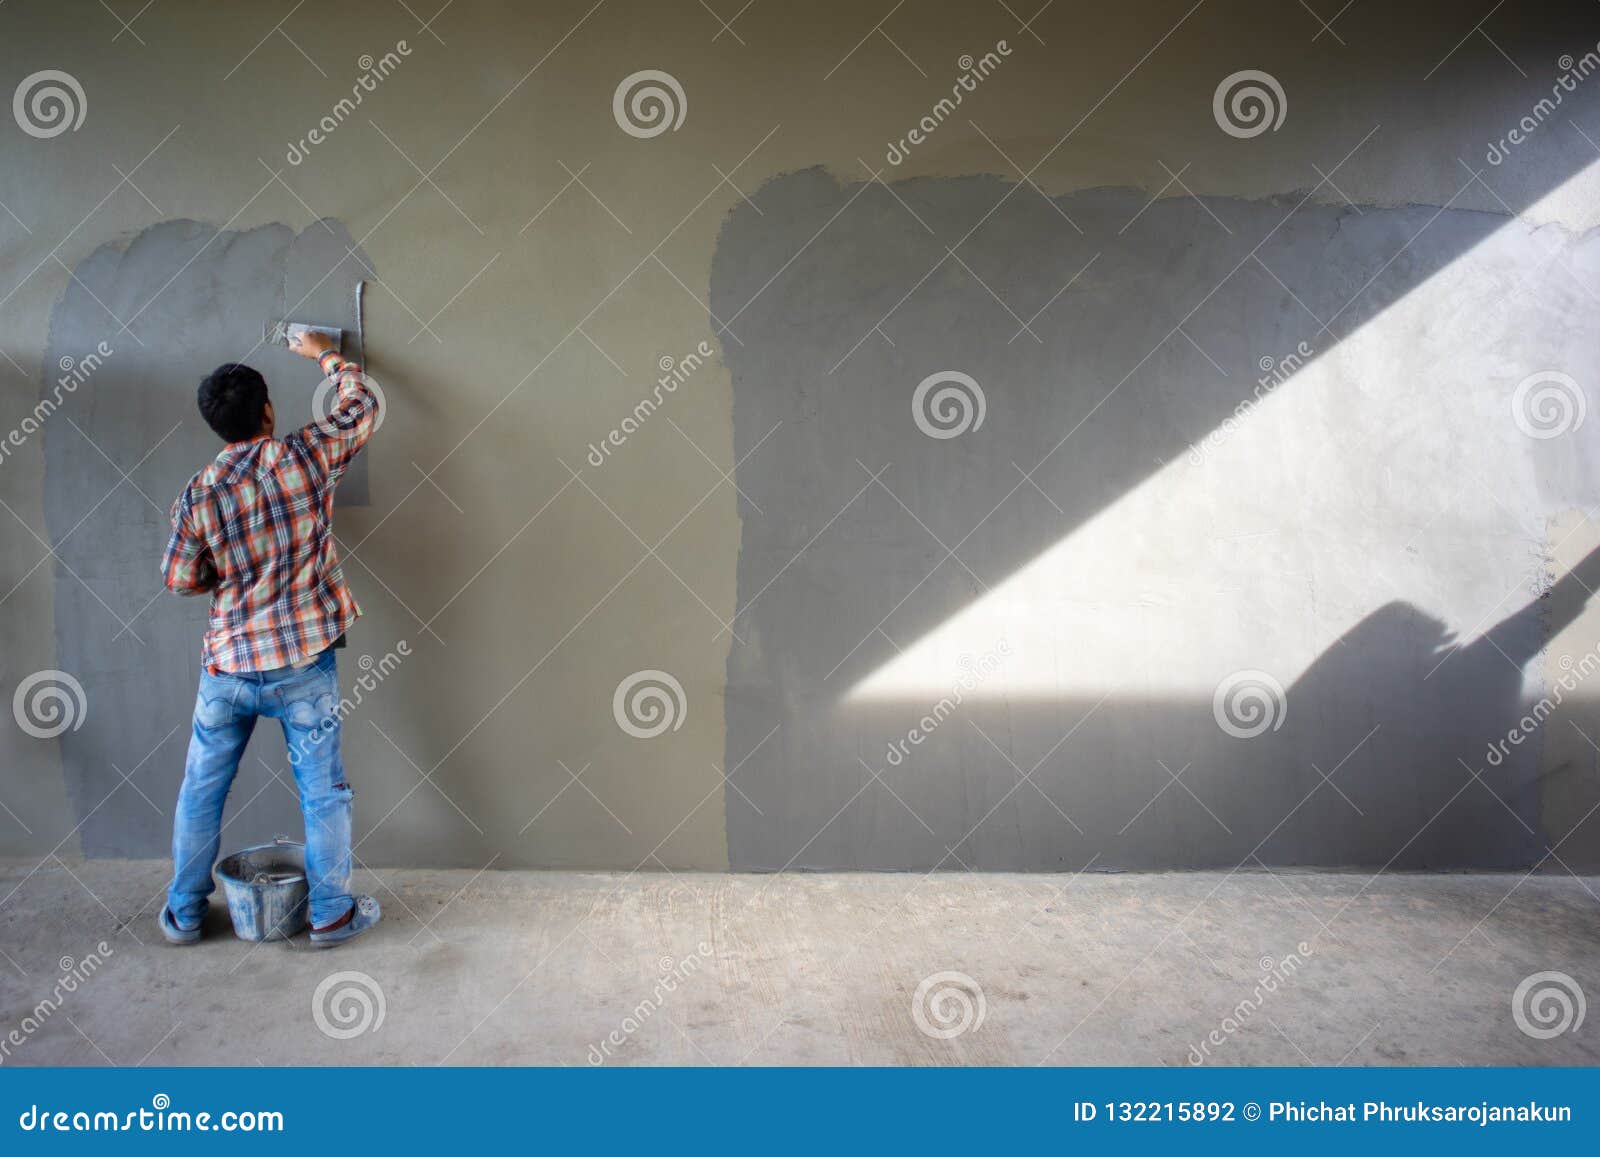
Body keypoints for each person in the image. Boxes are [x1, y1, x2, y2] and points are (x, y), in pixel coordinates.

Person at [156, 329, 382, 947]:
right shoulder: (307, 457)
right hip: (303, 665)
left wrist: (222, 575)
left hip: (228, 668)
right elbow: (362, 406)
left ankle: (184, 913)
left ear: (215, 425)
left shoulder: (199, 494)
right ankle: (330, 913)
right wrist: (325, 357)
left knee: (202, 789)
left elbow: (178, 579)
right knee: (322, 789)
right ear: (269, 412)